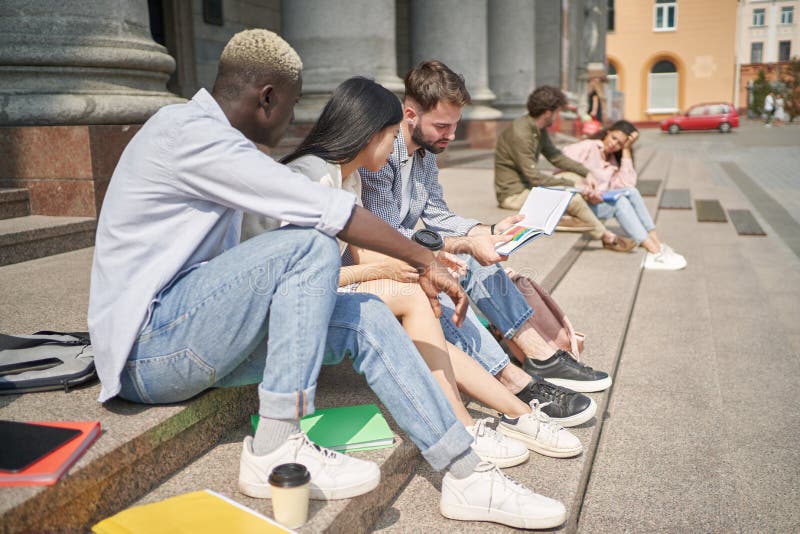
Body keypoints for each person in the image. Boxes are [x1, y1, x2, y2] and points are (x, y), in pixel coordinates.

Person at [88, 30, 567, 529]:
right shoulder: (187, 133)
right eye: (293, 105)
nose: (296, 120)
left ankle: (465, 472)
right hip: (152, 350)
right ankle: (276, 443)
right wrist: (426, 263)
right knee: (311, 242)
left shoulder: (217, 139)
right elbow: (324, 212)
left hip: (199, 332)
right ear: (267, 96)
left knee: (368, 316)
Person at [244, 77, 583, 463]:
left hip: (315, 294)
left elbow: (374, 253)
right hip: (275, 313)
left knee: (423, 288)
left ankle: (517, 412)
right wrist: (407, 267)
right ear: (368, 133)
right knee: (418, 292)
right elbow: (292, 284)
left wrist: (420, 267)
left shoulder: (346, 177)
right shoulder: (313, 178)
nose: (393, 149)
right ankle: (480, 419)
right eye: (391, 136)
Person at [358, 61, 611, 410]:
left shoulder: (426, 154)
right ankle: (510, 378)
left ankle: (540, 355)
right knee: (454, 267)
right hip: (373, 262)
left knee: (478, 257)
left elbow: (437, 215)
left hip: (405, 249)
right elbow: (386, 236)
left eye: (455, 126)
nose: (450, 135)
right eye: (442, 125)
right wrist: (464, 244)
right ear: (411, 114)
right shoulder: (379, 155)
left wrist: (490, 231)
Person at [494, 85, 636, 252]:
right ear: (548, 112)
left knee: (574, 178)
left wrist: (586, 172)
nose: (558, 116)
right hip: (513, 194)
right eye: (558, 112)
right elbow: (534, 177)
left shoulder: (536, 128)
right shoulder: (521, 133)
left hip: (527, 186)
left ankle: (572, 216)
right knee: (571, 196)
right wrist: (571, 185)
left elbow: (556, 156)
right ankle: (606, 237)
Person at [558, 120, 687, 271]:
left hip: (594, 204)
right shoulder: (589, 146)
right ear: (608, 132)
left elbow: (628, 185)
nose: (614, 144)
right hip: (574, 204)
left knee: (631, 193)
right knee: (620, 203)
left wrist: (626, 150)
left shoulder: (613, 162)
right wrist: (585, 186)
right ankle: (653, 251)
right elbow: (563, 161)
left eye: (620, 144)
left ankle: (656, 244)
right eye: (613, 138)